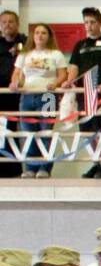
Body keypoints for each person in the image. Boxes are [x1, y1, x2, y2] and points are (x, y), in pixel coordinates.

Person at [63, 7, 101, 179]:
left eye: (92, 22)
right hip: (83, 93)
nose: (89, 26)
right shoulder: (80, 45)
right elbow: (74, 67)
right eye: (86, 22)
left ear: (100, 23)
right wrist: (69, 80)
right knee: (86, 130)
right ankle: (95, 162)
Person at [10, 22, 67, 179]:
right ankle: (30, 167)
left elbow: (63, 75)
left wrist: (55, 84)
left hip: (47, 96)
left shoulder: (56, 54)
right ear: (32, 36)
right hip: (27, 96)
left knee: (45, 132)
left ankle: (44, 167)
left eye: (43, 33)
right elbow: (17, 73)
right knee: (29, 133)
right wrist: (16, 83)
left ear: (48, 36)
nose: (40, 35)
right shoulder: (25, 55)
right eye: (37, 33)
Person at [0, 11, 25, 179]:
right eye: (4, 22)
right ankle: (5, 169)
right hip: (2, 96)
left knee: (28, 131)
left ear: (17, 24)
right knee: (4, 131)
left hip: (22, 95)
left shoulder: (26, 42)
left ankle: (24, 169)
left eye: (11, 21)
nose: (7, 24)